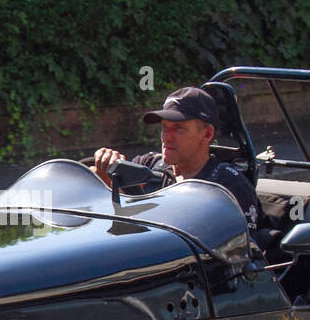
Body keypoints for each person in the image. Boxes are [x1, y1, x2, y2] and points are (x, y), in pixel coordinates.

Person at [91, 86, 260, 229]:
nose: (166, 138)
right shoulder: (147, 165)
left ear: (207, 134)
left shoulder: (229, 186)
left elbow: (240, 254)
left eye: (179, 128)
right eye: (165, 128)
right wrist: (103, 172)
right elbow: (98, 201)